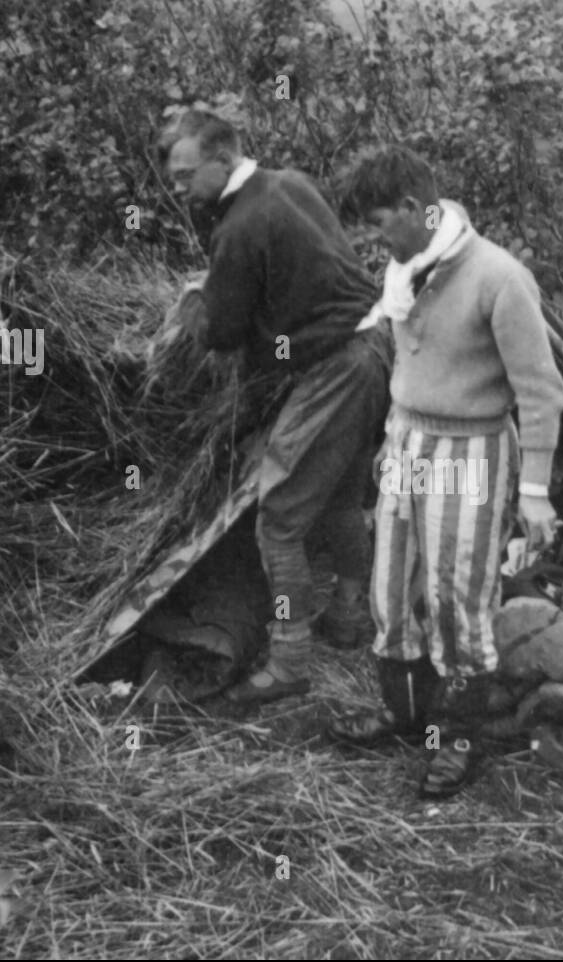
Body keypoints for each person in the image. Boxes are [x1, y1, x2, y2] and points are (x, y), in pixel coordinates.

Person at [332, 145, 563, 797]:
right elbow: (409, 361)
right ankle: (405, 715)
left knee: (456, 601)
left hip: (471, 453)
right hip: (409, 445)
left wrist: (535, 491)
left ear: (414, 207)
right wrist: (392, 437)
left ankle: (459, 737)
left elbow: (542, 392)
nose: (374, 238)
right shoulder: (405, 267)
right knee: (391, 587)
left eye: (380, 221)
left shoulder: (499, 277)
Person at [157, 105, 392, 705]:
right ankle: (350, 616)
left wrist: (198, 311)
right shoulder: (290, 182)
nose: (179, 188)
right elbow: (298, 271)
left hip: (336, 368)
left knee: (279, 515)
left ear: (223, 157)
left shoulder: (237, 226)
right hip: (375, 345)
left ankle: (290, 660)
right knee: (340, 495)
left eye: (187, 175)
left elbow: (225, 332)